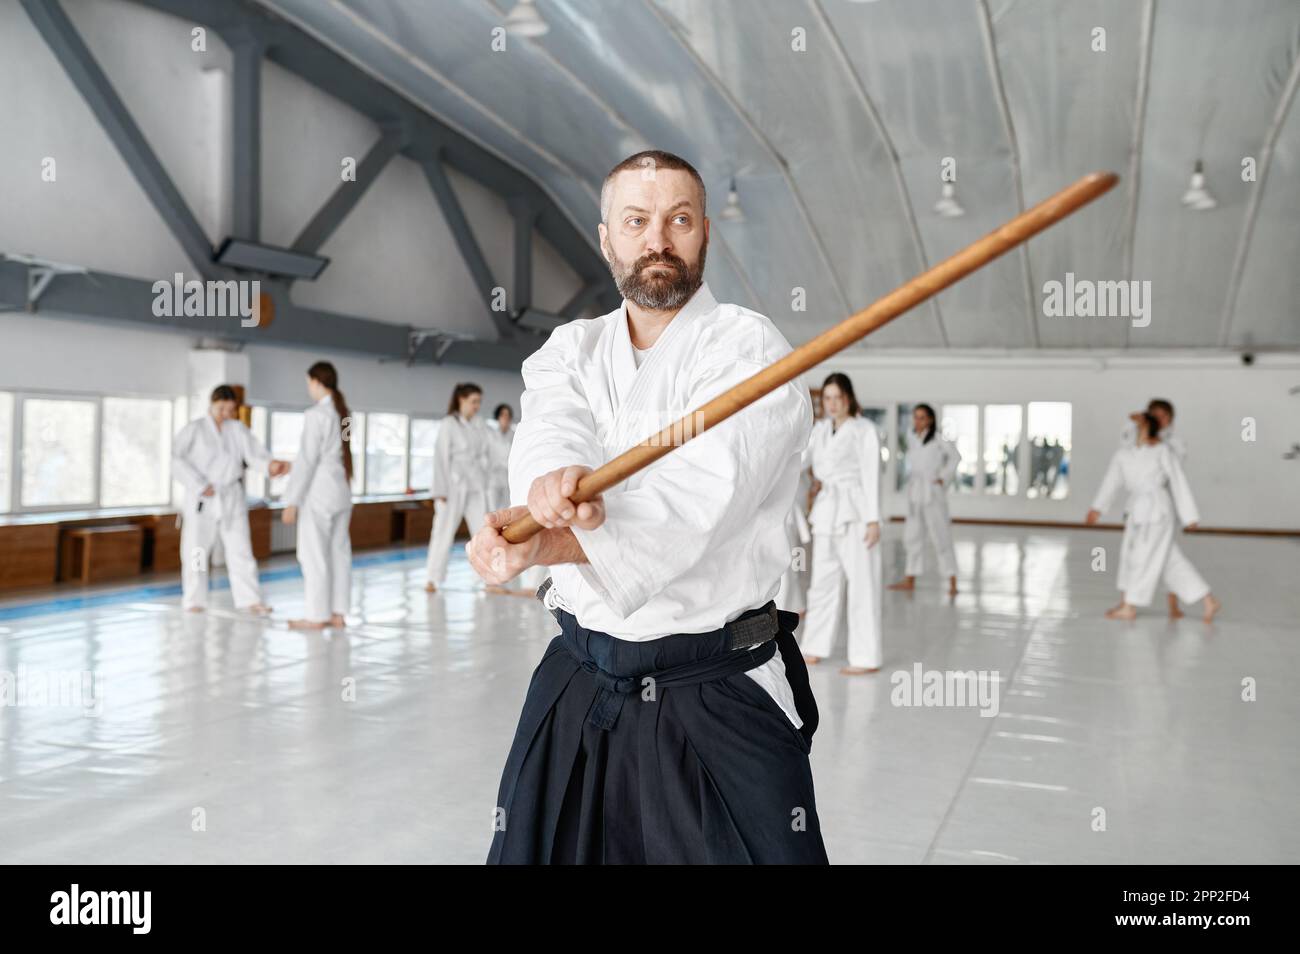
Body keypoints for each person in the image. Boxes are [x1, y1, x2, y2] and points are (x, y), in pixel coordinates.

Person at [467, 149, 826, 864]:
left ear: (704, 236)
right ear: (606, 239)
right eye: (636, 221)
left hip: (713, 692)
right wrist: (551, 490)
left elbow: (694, 505)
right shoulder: (571, 347)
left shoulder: (751, 351)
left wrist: (547, 545)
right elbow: (551, 427)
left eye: (679, 220)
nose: (657, 240)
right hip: (577, 678)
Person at [1087, 412, 1221, 622]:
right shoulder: (1123, 455)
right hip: (1136, 512)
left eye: (1143, 426)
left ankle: (1129, 606)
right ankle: (1208, 600)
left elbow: (1178, 480)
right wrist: (1098, 508)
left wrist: (1189, 515)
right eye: (1137, 427)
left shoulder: (1162, 451)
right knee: (1167, 560)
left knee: (1141, 556)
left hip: (1157, 512)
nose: (1139, 431)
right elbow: (1111, 481)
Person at [171, 385, 288, 614]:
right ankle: (194, 599)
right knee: (196, 551)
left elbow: (255, 456)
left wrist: (270, 465)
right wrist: (198, 484)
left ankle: (250, 599)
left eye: (230, 409)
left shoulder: (238, 429)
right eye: (221, 408)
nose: (225, 413)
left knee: (241, 548)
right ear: (211, 404)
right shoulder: (194, 429)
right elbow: (176, 460)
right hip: (202, 497)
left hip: (231, 495)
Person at [799, 373, 884, 675]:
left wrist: (873, 519)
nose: (832, 404)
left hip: (856, 513)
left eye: (838, 398)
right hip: (826, 513)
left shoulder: (865, 430)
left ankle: (866, 656)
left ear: (848, 398)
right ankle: (813, 646)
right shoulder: (819, 430)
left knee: (862, 585)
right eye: (827, 399)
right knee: (821, 582)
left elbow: (872, 476)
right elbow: (798, 460)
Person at [282, 362, 354, 630]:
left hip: (319, 493)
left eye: (308, 383)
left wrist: (292, 501)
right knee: (339, 553)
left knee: (314, 555)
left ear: (315, 381)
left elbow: (309, 460)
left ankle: (316, 615)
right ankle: (338, 613)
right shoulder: (345, 414)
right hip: (341, 490)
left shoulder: (316, 415)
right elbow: (333, 454)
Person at [1122, 398, 1190, 617]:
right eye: (1155, 415)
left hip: (1160, 510)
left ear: (1170, 420)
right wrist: (1137, 427)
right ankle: (1181, 602)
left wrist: (1150, 436)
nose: (1159, 420)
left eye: (1164, 416)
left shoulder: (1174, 444)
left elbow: (1171, 470)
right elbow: (1127, 457)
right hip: (1139, 508)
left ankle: (1130, 605)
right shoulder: (1135, 435)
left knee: (1159, 556)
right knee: (1163, 556)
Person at [889, 403, 960, 596]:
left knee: (940, 535)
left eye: (921, 417)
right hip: (915, 492)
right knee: (912, 535)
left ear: (930, 419)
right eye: (915, 417)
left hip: (932, 492)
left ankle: (952, 579)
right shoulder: (912, 438)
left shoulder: (938, 440)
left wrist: (942, 478)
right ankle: (910, 578)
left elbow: (955, 457)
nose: (917, 421)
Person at [424, 383, 489, 593]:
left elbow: (486, 454)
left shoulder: (479, 424)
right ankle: (433, 578)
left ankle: (486, 577)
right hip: (452, 487)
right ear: (461, 399)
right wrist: (440, 490)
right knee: (443, 531)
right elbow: (440, 458)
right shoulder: (449, 424)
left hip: (475, 484)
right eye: (474, 402)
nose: (477, 406)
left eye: (479, 402)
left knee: (482, 530)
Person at [485, 403, 515, 512]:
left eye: (508, 415)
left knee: (508, 508)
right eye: (503, 415)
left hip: (508, 478)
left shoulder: (515, 435)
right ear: (498, 417)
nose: (505, 418)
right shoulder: (490, 435)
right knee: (492, 510)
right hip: (493, 477)